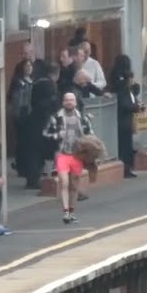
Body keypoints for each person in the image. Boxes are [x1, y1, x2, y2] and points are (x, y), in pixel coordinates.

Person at [42, 91, 93, 224]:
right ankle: (65, 213)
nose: (69, 102)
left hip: (77, 155)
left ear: (75, 103)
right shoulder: (56, 117)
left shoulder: (82, 117)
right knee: (64, 183)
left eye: (71, 100)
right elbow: (45, 133)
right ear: (63, 102)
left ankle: (71, 212)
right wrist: (58, 135)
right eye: (67, 100)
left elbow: (91, 134)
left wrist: (88, 143)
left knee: (74, 186)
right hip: (62, 154)